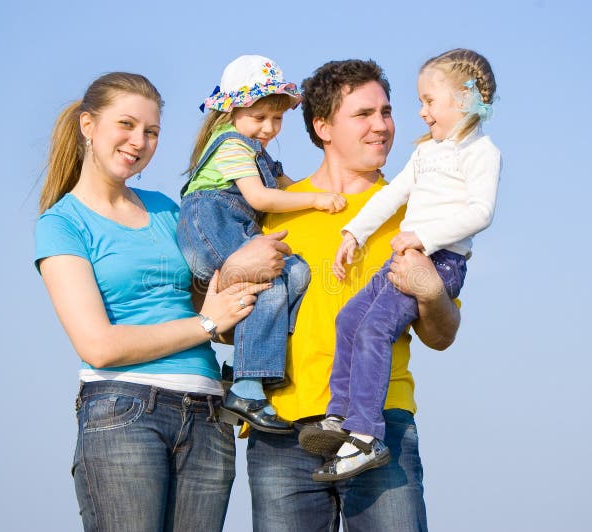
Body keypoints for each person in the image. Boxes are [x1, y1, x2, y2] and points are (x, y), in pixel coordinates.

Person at [33, 72, 287, 531]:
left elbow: (216, 310)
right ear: (88, 126)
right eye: (126, 125)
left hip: (208, 414)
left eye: (151, 132)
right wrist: (206, 325)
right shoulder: (61, 224)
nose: (139, 141)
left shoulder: (169, 209)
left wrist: (240, 274)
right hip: (124, 411)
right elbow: (99, 346)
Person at [239, 60, 462, 531]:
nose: (381, 125)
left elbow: (442, 335)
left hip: (381, 424)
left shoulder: (420, 213)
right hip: (283, 427)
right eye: (363, 114)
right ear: (322, 127)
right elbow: (231, 321)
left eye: (386, 111)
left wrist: (430, 291)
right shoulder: (275, 211)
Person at [308, 48, 501, 481]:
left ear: (464, 99)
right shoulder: (426, 152)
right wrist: (353, 233)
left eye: (429, 101)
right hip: (406, 255)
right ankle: (340, 416)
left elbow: (481, 213)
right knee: (349, 318)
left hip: (440, 260)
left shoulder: (482, 152)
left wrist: (423, 238)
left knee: (376, 328)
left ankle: (367, 434)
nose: (422, 112)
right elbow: (391, 196)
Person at [177, 55, 347, 433]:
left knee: (297, 272)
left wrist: (337, 193)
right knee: (268, 282)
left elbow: (288, 186)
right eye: (259, 117)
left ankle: (244, 366)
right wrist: (317, 201)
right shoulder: (231, 145)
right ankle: (247, 386)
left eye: (277, 117)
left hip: (231, 227)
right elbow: (260, 199)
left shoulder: (261, 154)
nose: (269, 127)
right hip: (210, 224)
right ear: (233, 111)